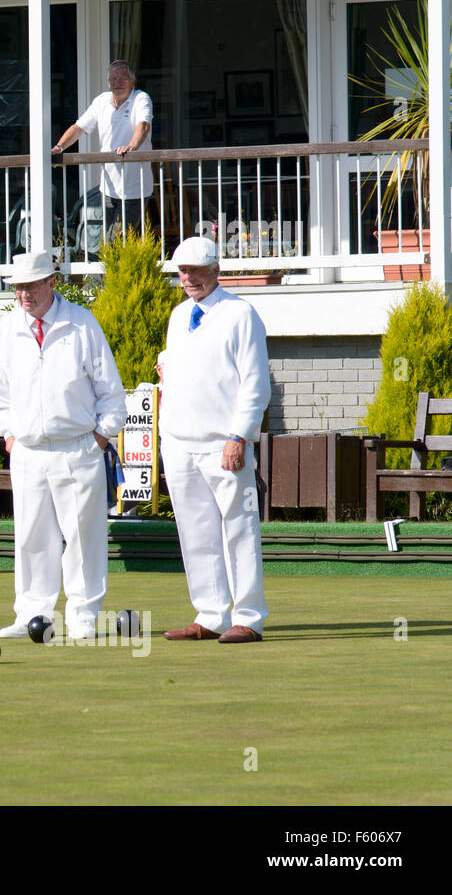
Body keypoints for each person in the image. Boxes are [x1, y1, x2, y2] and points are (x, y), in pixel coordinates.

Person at [0, 251, 126, 640]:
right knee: (31, 535)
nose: (24, 294)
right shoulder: (8, 329)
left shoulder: (82, 324)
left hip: (78, 446)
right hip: (28, 450)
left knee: (83, 534)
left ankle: (83, 614)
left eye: (31, 284)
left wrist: (100, 437)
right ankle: (32, 613)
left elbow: (110, 392)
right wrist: (10, 436)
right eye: (18, 287)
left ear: (52, 281)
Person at [157, 237, 271, 643]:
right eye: (182, 271)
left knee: (239, 527)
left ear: (217, 270)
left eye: (197, 270)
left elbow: (255, 383)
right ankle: (210, 614)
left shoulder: (241, 314)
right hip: (179, 441)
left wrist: (239, 435)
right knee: (195, 530)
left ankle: (249, 616)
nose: (189, 278)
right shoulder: (177, 316)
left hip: (223, 442)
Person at [52, 60, 153, 237]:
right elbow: (79, 128)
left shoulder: (140, 98)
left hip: (134, 187)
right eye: (113, 79)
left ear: (132, 81)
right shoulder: (101, 101)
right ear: (108, 83)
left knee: (117, 240)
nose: (117, 83)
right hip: (108, 187)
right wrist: (59, 147)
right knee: (113, 240)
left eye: (122, 78)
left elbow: (143, 125)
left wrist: (131, 147)